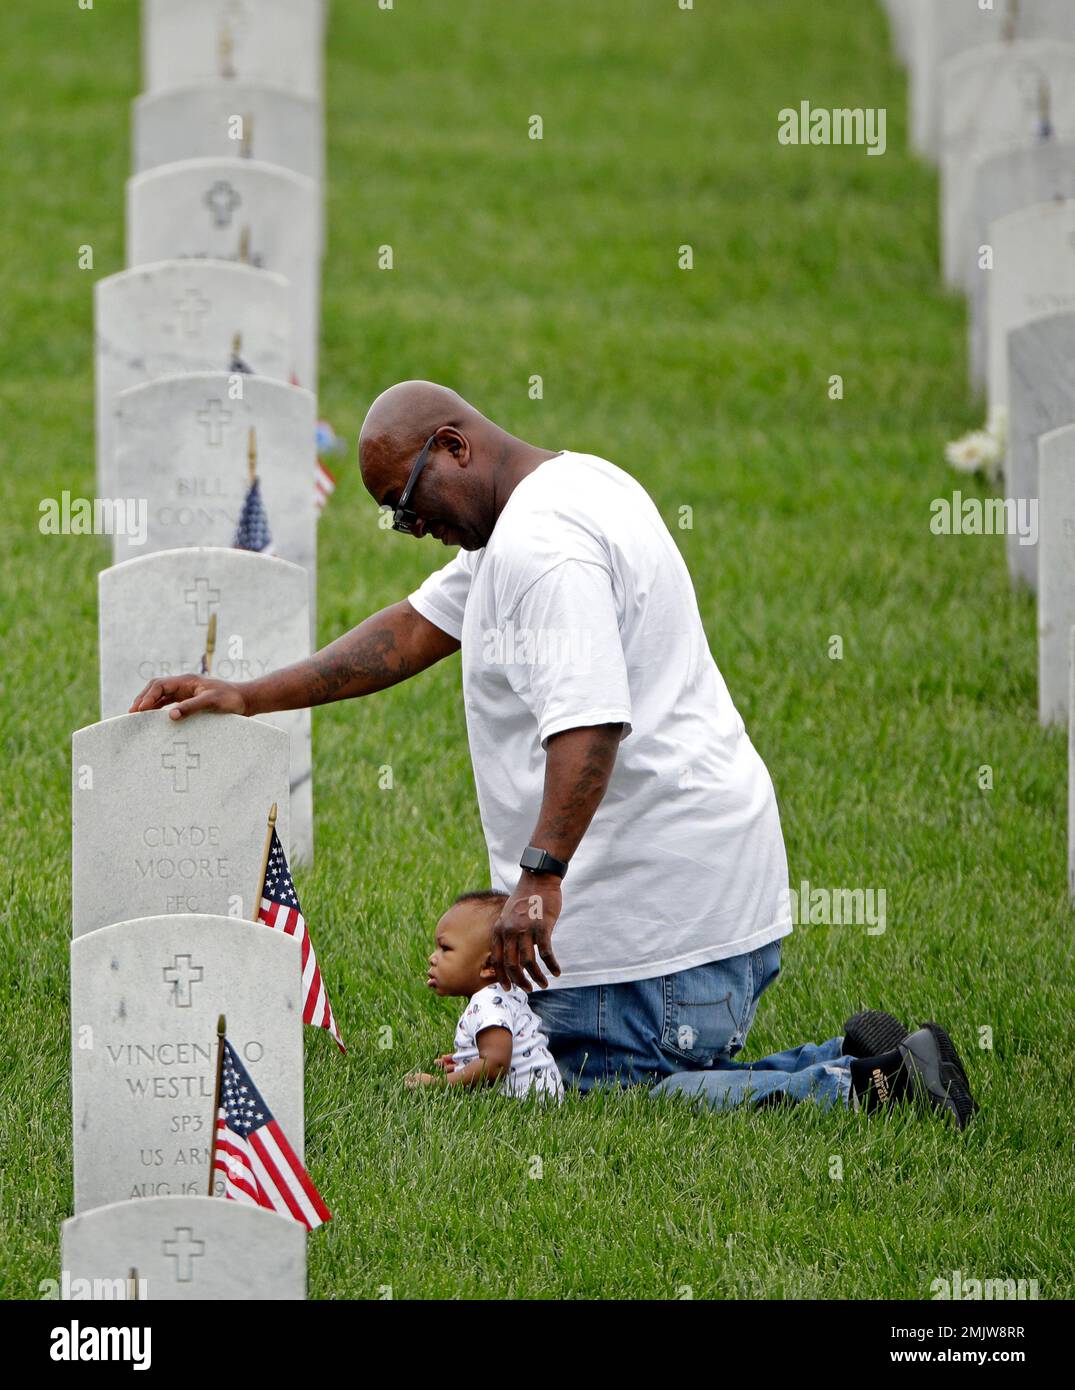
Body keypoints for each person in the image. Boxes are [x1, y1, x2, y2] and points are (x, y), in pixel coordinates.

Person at [129, 380, 977, 1126]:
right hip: (706, 899)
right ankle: (862, 1057)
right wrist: (248, 694)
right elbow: (412, 629)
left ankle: (870, 1085)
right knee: (586, 1069)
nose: (407, 525)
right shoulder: (561, 493)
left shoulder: (543, 549)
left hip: (664, 925)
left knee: (596, 1093)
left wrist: (537, 878)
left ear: (453, 446)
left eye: (406, 501)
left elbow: (590, 724)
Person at [407, 890, 563, 1101]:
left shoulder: (488, 1003)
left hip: (523, 1106)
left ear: (489, 965)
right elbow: (509, 1051)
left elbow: (495, 1065)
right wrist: (466, 1060)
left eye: (445, 948)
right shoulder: (504, 993)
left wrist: (439, 1085)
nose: (432, 958)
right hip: (542, 1097)